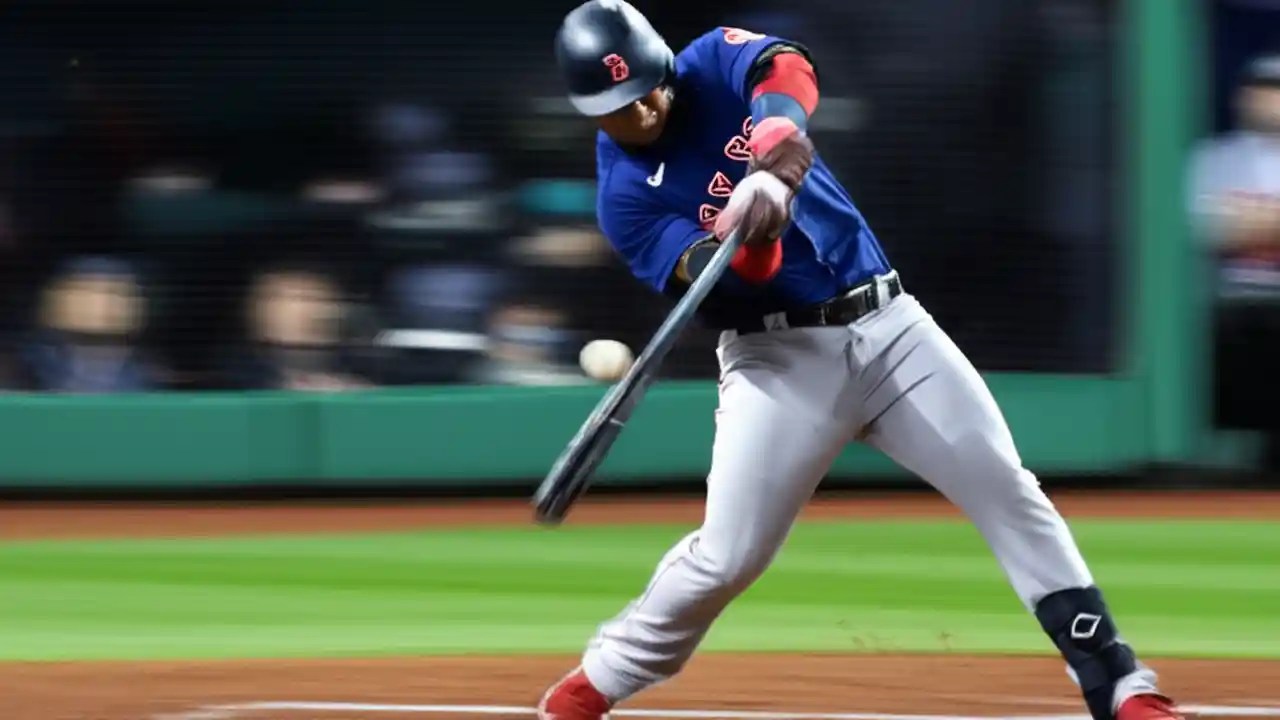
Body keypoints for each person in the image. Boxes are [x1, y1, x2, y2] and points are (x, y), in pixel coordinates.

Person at [536, 3, 1184, 720]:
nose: (646, 107)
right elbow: (735, 279)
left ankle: (1119, 683)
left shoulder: (710, 60)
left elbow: (786, 67)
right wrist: (756, 234)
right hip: (777, 362)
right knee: (727, 556)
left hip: (891, 323)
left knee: (1006, 488)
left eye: (650, 86)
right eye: (621, 107)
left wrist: (777, 142)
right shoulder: (625, 199)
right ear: (592, 114)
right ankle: (594, 682)